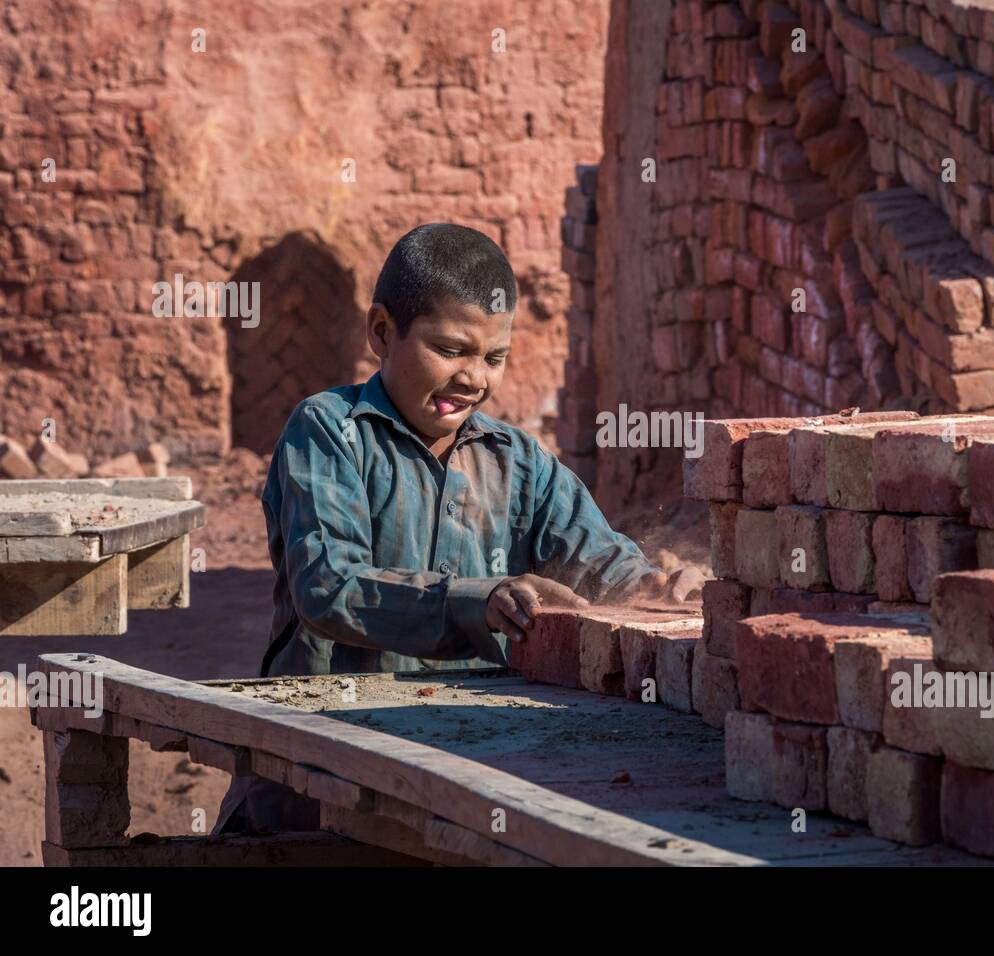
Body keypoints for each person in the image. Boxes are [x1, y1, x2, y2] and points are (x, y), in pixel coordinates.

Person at [214, 222, 703, 834]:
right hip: (320, 776)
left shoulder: (519, 463)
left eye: (494, 357)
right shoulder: (328, 431)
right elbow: (328, 586)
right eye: (451, 350)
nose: (475, 377)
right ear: (381, 332)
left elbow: (603, 566)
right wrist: (480, 600)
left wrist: (664, 590)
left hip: (473, 773)